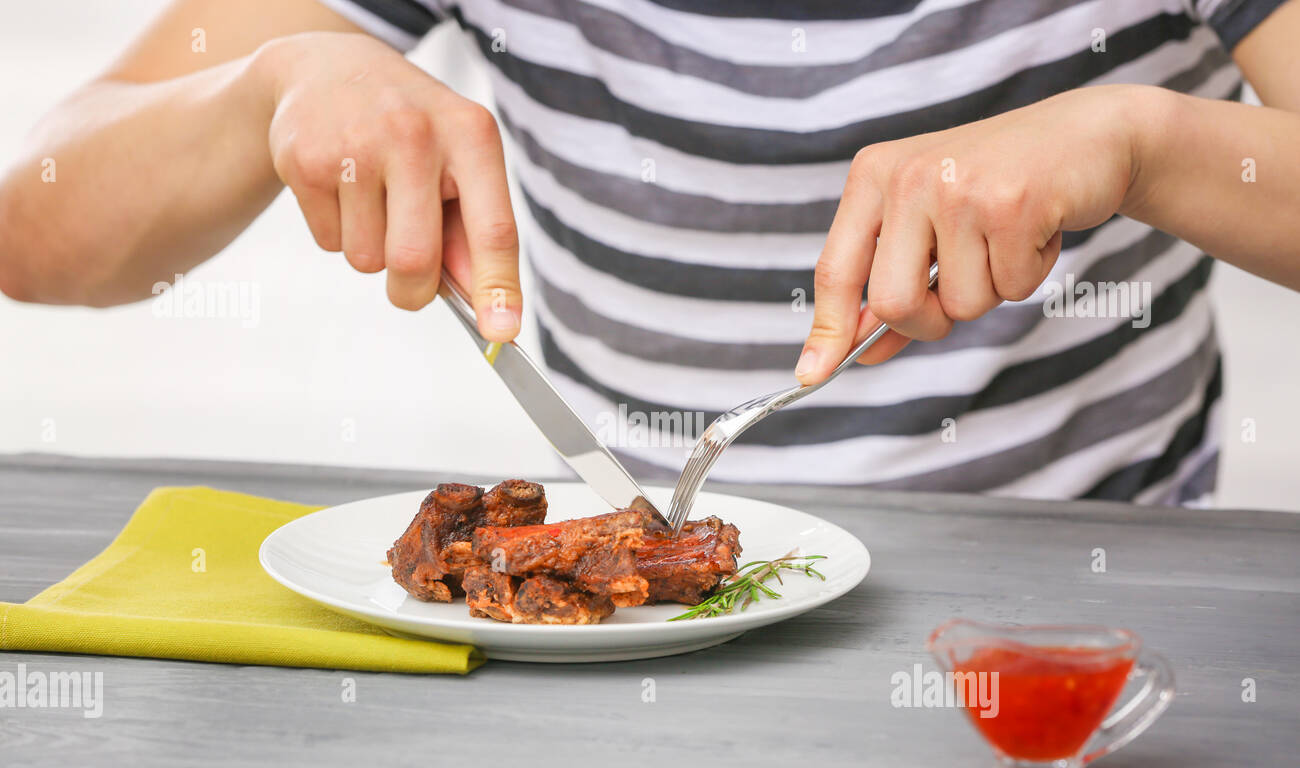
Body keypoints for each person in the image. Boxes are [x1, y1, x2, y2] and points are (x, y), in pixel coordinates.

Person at [1, 0, 1297, 503]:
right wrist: (269, 84)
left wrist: (1147, 143)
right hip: (643, 639)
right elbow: (36, 224)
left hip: (1087, 643)